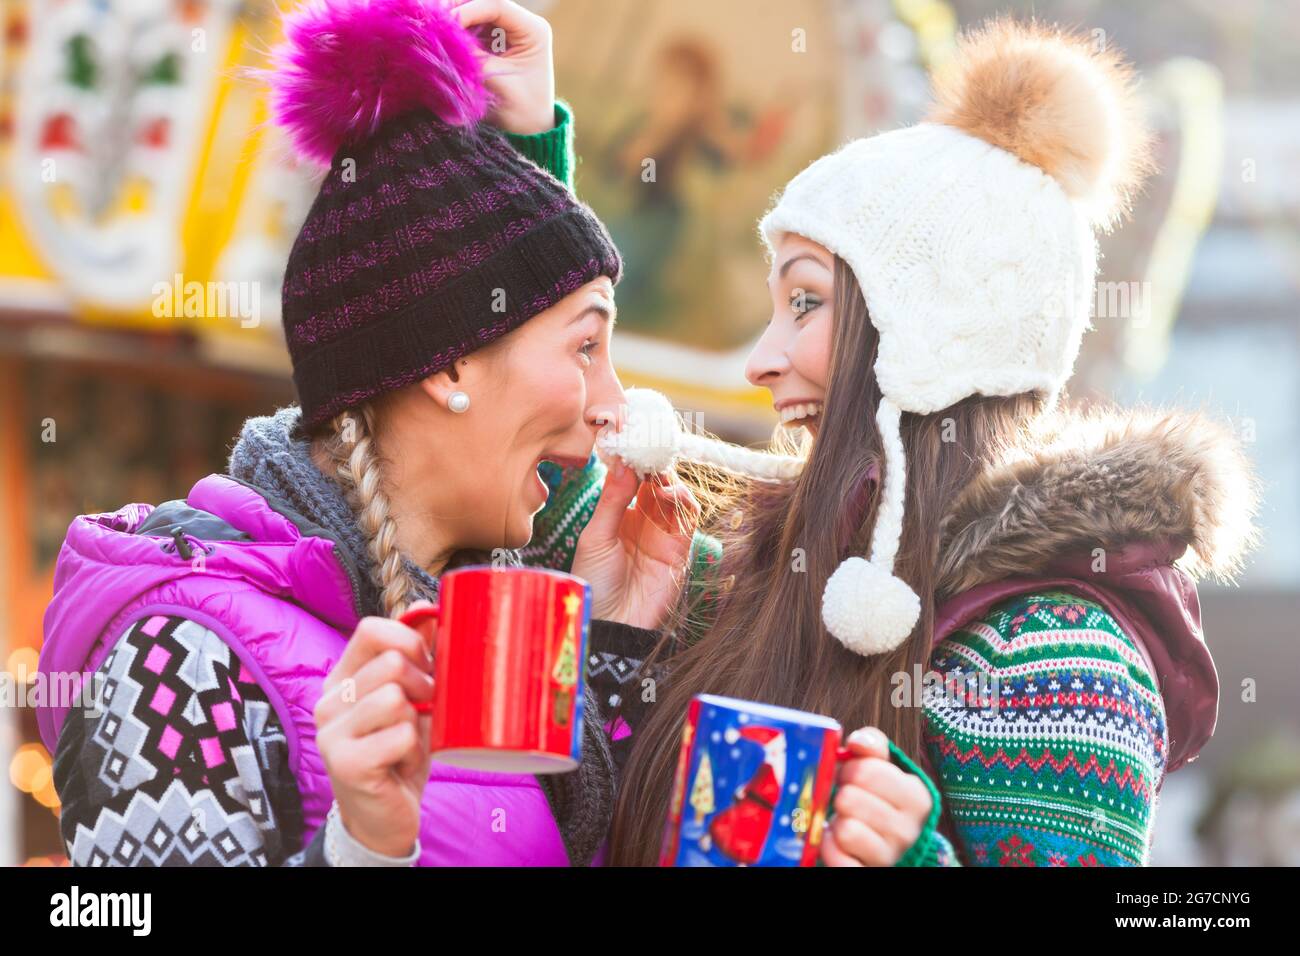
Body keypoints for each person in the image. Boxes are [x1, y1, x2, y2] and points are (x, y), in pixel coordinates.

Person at [37, 0, 698, 867]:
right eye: (586, 345)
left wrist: (611, 647)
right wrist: (357, 850)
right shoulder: (178, 654)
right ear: (448, 366)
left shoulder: (475, 643)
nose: (617, 404)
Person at [582, 19, 1258, 865]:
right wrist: (618, 643)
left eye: (804, 302)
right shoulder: (742, 585)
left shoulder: (1058, 659)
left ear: (926, 339)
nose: (760, 361)